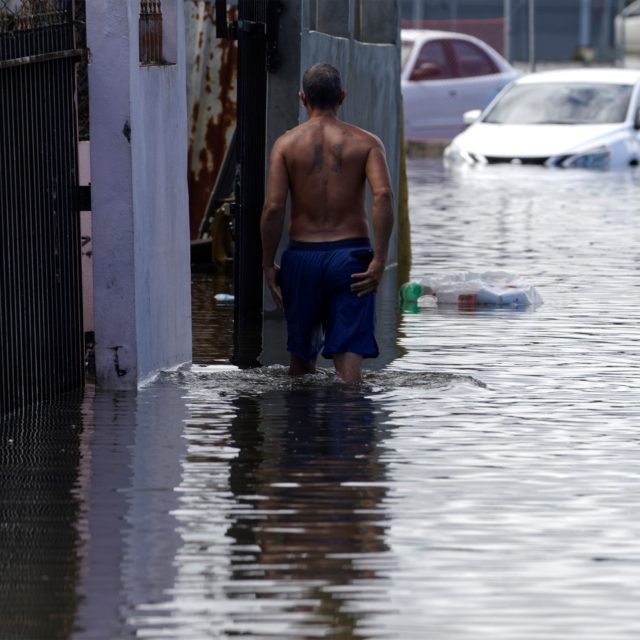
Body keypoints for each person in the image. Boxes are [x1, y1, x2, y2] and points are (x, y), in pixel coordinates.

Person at [260, 63, 394, 384]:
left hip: (301, 259)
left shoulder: (285, 145)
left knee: (301, 362)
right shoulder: (367, 143)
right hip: (350, 259)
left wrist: (267, 264)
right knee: (349, 361)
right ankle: (350, 429)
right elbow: (384, 196)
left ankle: (300, 432)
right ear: (342, 97)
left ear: (302, 97)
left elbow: (273, 208)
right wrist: (379, 259)